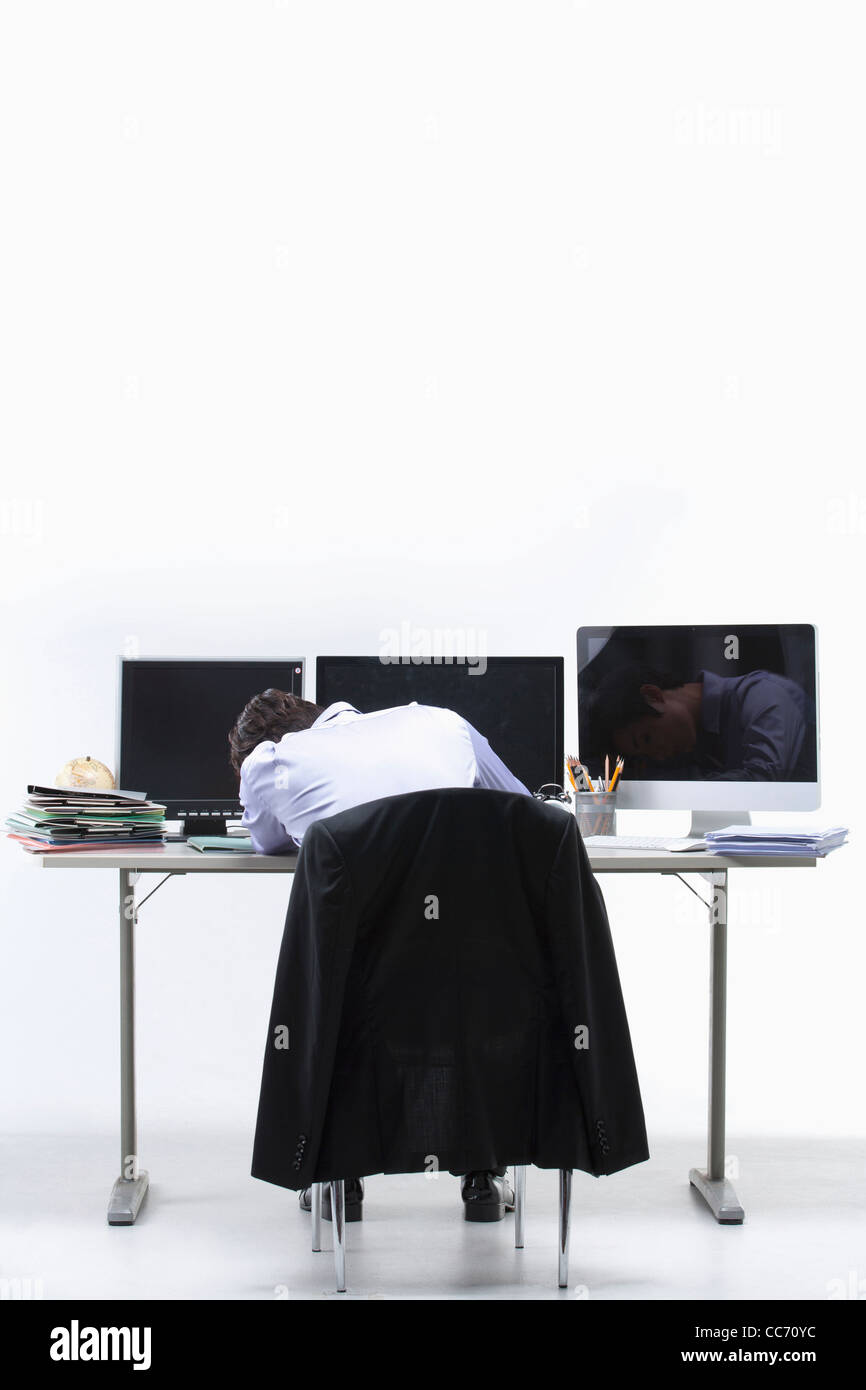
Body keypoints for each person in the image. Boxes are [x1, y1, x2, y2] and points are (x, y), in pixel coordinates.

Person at [228, 687, 531, 1224]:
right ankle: (482, 1175)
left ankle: (341, 1179)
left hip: (361, 984)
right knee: (456, 989)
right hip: (472, 969)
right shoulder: (442, 722)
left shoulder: (269, 764)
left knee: (345, 988)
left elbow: (267, 843)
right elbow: (524, 812)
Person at [591, 664, 812, 780]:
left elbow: (763, 779)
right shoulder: (698, 748)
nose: (658, 755)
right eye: (647, 756)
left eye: (647, 738)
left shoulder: (762, 696)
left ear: (653, 696)